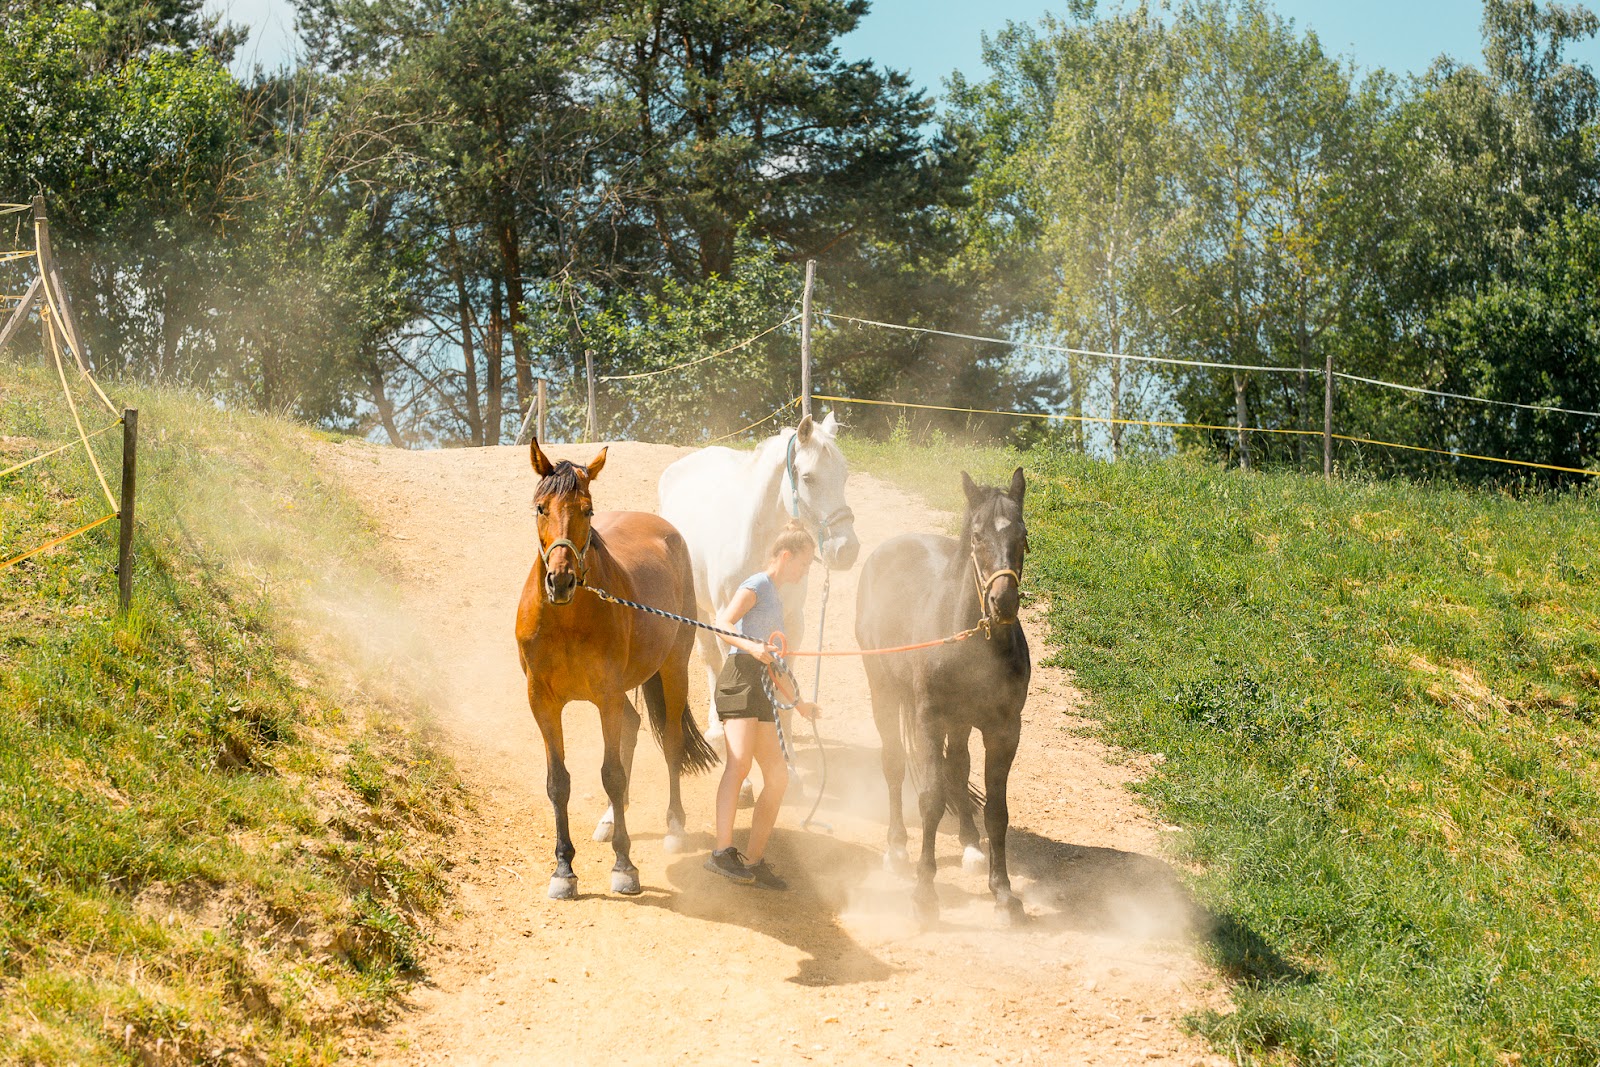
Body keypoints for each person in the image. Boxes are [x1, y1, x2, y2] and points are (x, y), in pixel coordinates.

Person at [703, 521, 821, 890]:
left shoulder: (776, 595)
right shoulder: (756, 584)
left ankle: (753, 860)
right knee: (739, 764)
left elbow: (776, 662)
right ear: (786, 556)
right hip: (740, 678)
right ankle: (721, 853)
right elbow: (722, 621)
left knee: (778, 776)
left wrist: (799, 704)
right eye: (804, 563)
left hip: (761, 684)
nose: (804, 572)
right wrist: (751, 646)